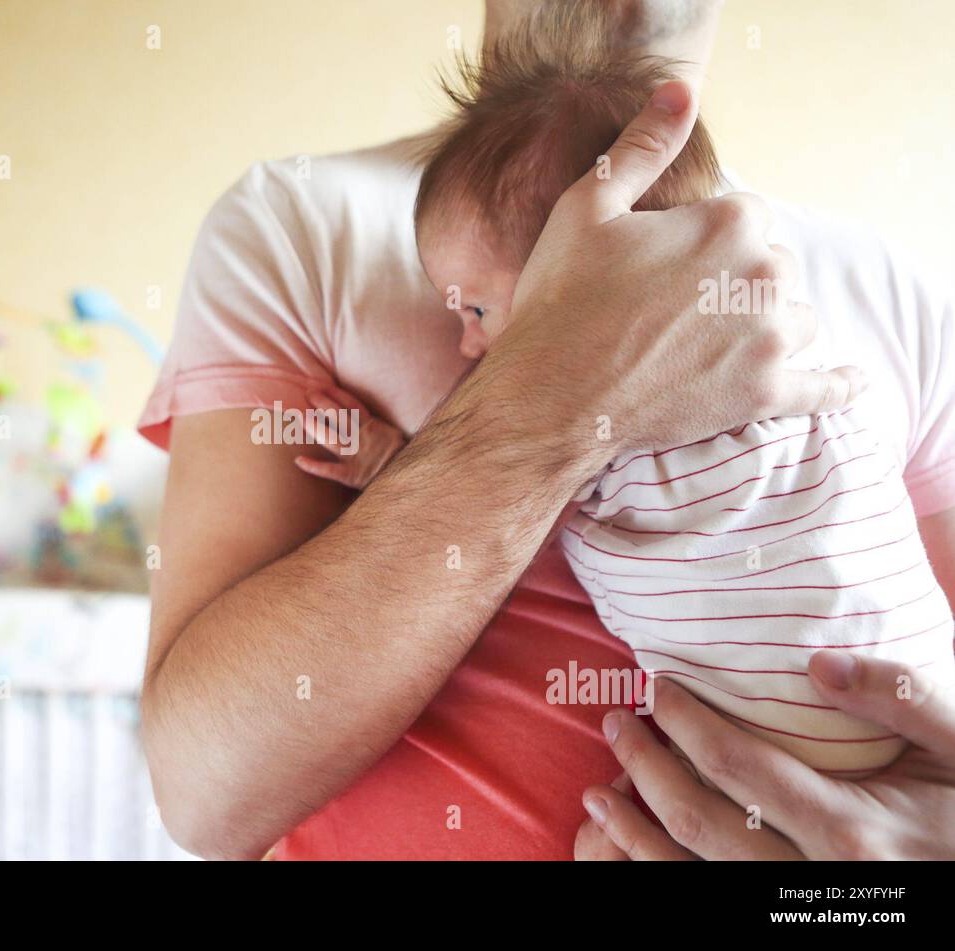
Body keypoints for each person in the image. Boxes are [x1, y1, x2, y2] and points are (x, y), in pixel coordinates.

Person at [138, 0, 955, 859]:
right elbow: (204, 797)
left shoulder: (900, 292)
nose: (468, 337)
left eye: (484, 312)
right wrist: (551, 383)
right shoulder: (299, 225)